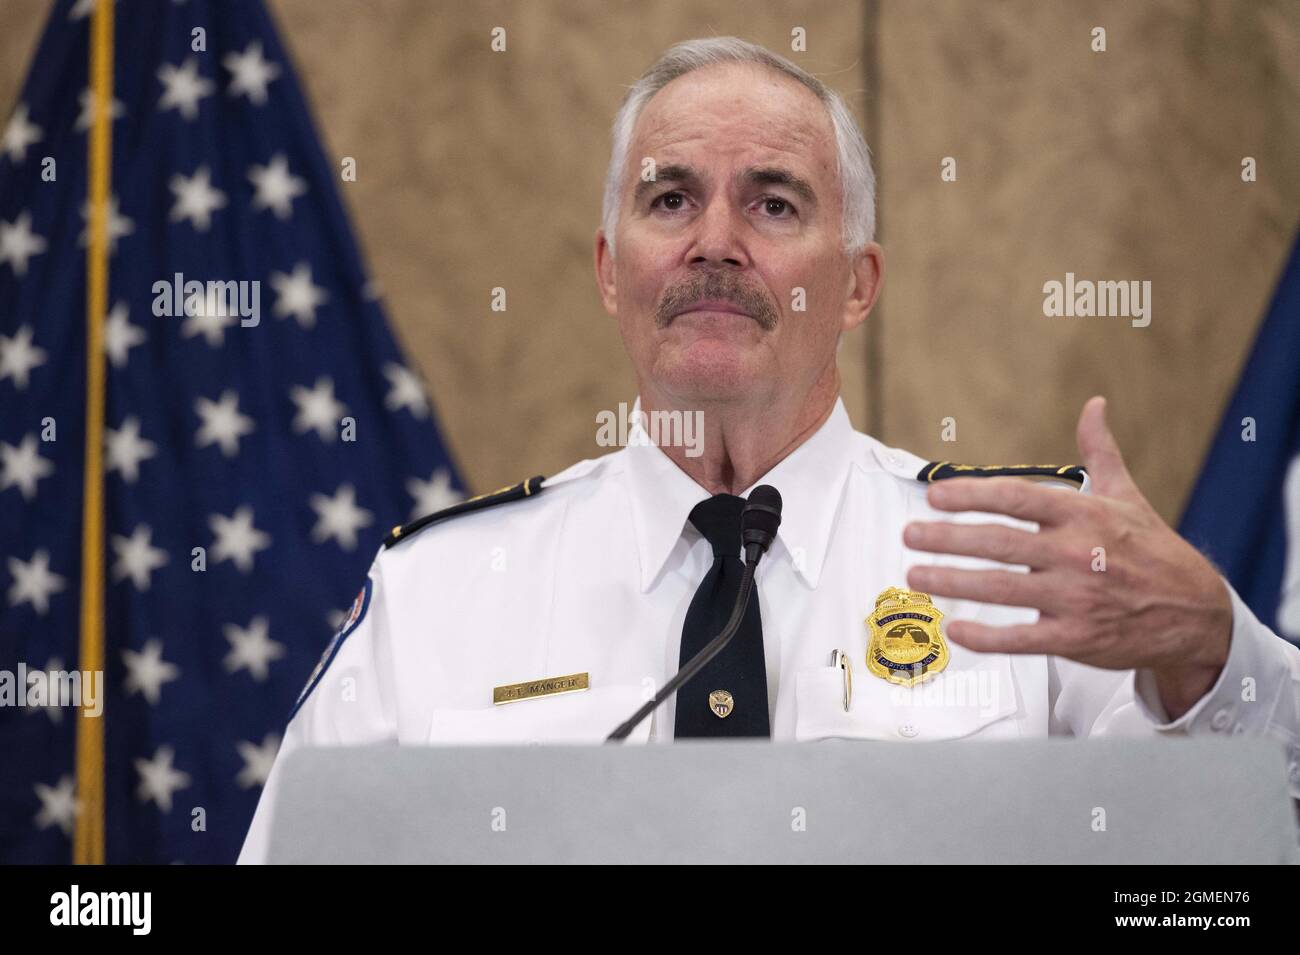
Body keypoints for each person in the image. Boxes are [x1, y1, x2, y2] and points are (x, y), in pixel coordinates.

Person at [237, 36, 1300, 863]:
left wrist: (1209, 649)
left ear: (856, 284)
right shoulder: (442, 593)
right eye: (670, 198)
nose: (712, 242)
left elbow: (1221, 870)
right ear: (612, 271)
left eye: (773, 203)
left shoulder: (1029, 564)